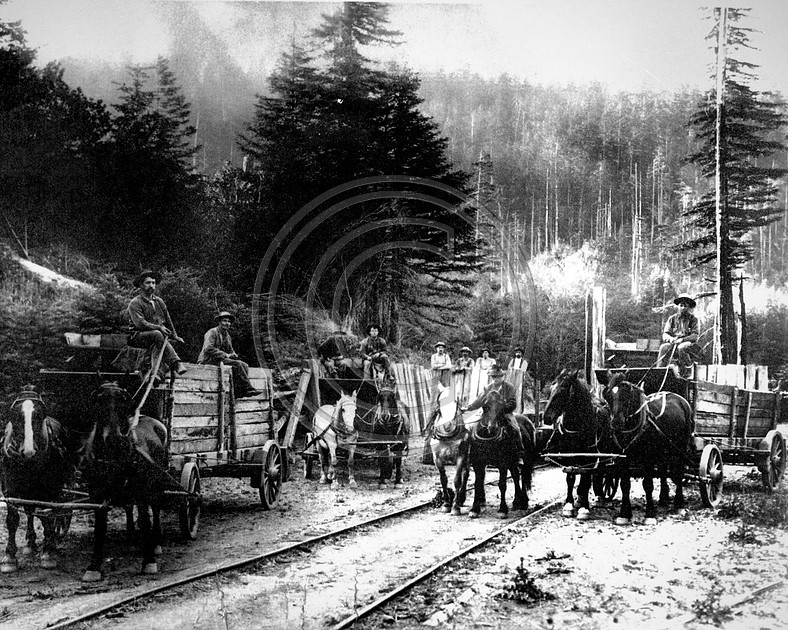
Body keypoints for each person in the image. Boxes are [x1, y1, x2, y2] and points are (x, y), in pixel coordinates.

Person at [127, 270, 186, 385]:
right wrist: (159, 327)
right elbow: (140, 323)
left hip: (157, 336)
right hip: (137, 336)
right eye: (148, 283)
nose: (151, 286)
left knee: (161, 338)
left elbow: (168, 320)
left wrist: (175, 335)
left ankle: (157, 374)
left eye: (153, 283)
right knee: (157, 334)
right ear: (141, 285)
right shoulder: (135, 303)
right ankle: (176, 362)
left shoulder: (159, 301)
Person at [462, 364, 525, 456]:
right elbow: (478, 401)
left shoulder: (509, 387)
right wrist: (468, 408)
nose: (496, 379)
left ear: (503, 376)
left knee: (515, 429)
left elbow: (513, 403)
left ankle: (519, 453)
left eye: (499, 376)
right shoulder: (487, 388)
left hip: (505, 413)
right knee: (472, 428)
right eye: (494, 377)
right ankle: (470, 454)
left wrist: (502, 407)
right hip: (488, 414)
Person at [198, 312, 259, 398]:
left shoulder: (227, 336)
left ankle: (240, 392)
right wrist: (225, 355)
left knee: (244, 365)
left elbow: (230, 350)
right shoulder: (212, 332)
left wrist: (233, 354)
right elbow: (208, 348)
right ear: (219, 322)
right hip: (208, 360)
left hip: (219, 360)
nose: (227, 323)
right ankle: (247, 388)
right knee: (238, 364)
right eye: (224, 321)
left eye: (229, 322)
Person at [657, 294, 701, 373]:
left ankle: (687, 371)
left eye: (685, 306)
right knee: (664, 347)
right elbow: (665, 334)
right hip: (674, 342)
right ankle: (660, 371)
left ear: (689, 307)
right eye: (681, 305)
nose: (683, 308)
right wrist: (671, 339)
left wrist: (683, 339)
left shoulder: (693, 319)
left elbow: (695, 335)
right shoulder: (672, 319)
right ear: (678, 306)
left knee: (682, 347)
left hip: (689, 345)